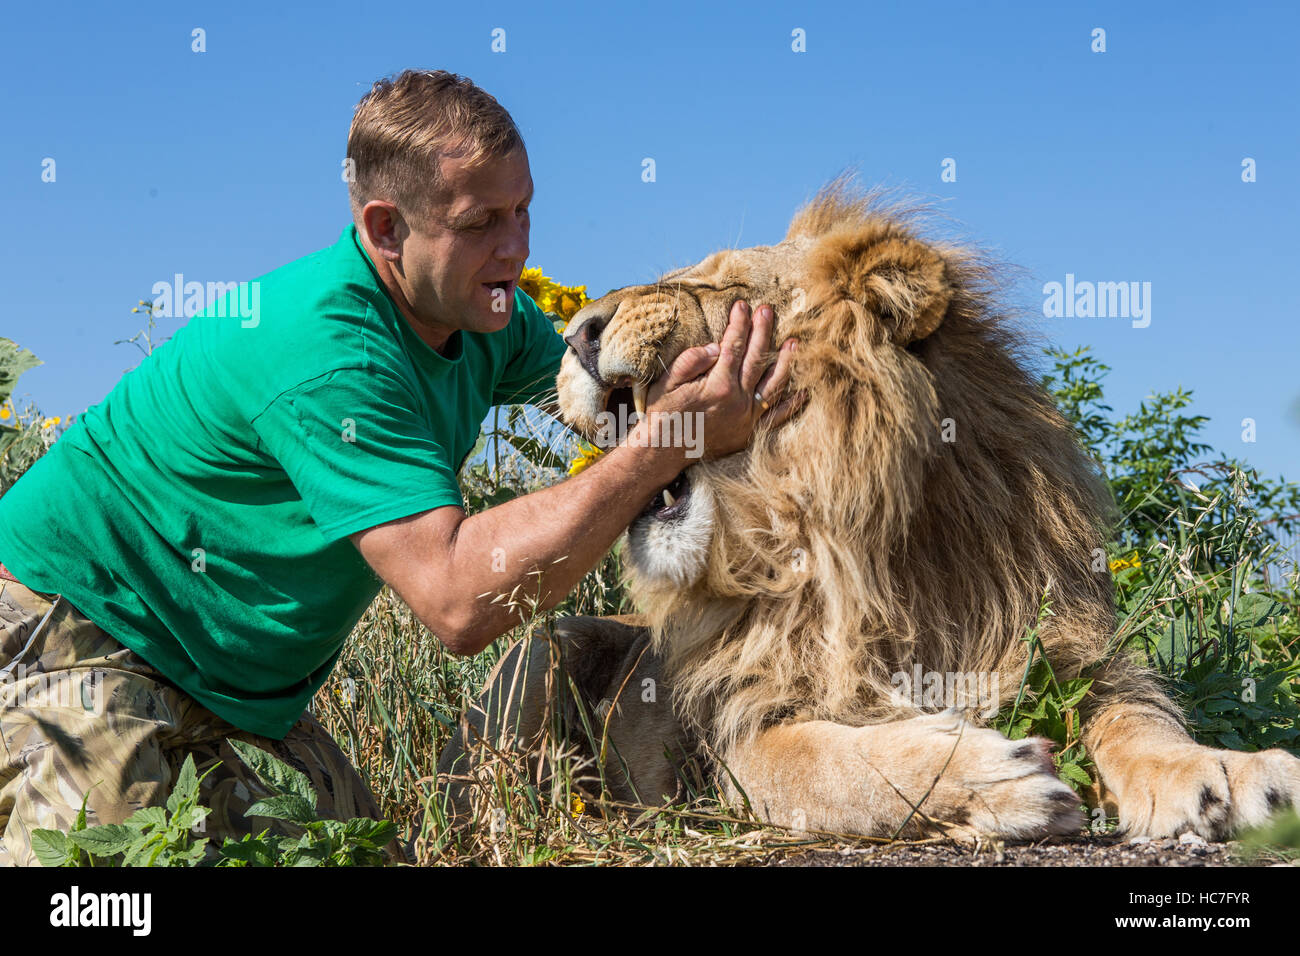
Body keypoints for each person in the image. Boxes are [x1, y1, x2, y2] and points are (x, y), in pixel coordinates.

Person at [0, 69, 797, 866]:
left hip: (231, 697)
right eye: (480, 221)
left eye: (522, 210)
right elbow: (457, 602)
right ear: (386, 229)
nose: (516, 248)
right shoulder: (332, 356)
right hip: (63, 636)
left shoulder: (483, 311)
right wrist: (665, 443)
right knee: (99, 888)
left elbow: (597, 377)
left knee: (369, 859)